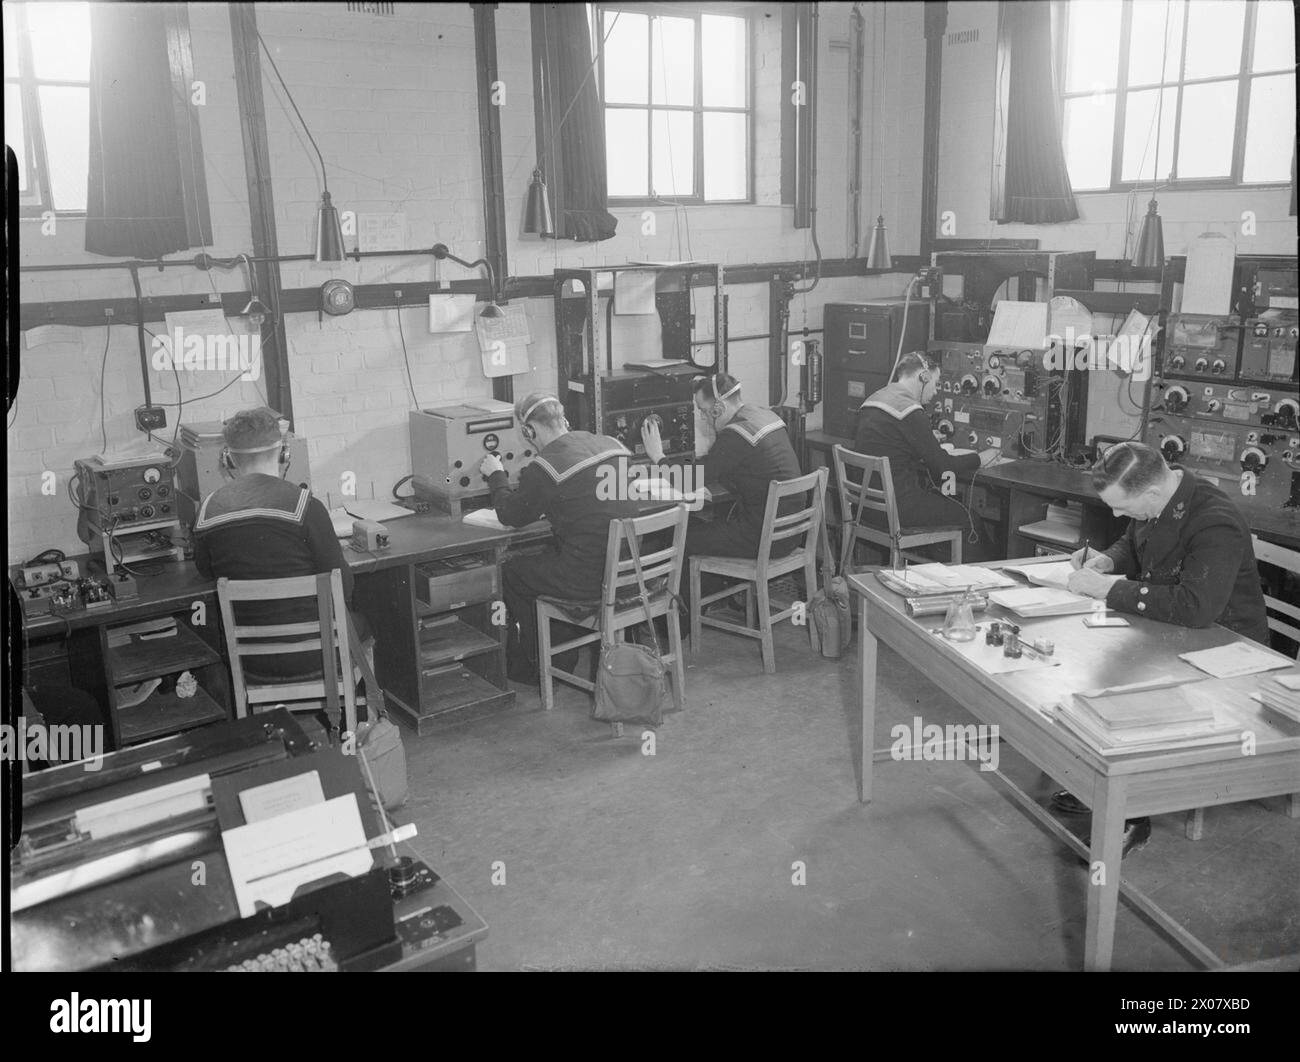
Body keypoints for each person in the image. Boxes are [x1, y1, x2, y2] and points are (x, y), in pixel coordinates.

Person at [1050, 440, 1270, 853]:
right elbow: (1134, 544)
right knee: (1098, 671)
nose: (1117, 515)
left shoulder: (1214, 520)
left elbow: (1197, 607)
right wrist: (1107, 563)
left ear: (1151, 493)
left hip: (1226, 652)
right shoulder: (1162, 497)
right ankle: (1103, 782)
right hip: (1178, 633)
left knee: (1129, 692)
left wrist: (1109, 589)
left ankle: (1131, 812)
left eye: (1123, 507)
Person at [192, 407, 372, 716]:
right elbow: (342, 584)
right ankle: (356, 727)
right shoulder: (306, 506)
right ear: (285, 453)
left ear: (227, 459)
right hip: (318, 654)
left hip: (250, 661)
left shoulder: (209, 510)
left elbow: (205, 571)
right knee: (361, 621)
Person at [480, 392, 643, 685]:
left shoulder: (546, 466)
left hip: (589, 581)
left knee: (513, 571)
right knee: (550, 556)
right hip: (629, 573)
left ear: (529, 431)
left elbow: (510, 515)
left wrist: (497, 476)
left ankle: (538, 667)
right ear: (564, 420)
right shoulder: (613, 446)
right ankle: (562, 654)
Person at [639, 372, 804, 619]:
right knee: (703, 525)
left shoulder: (735, 433)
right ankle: (705, 604)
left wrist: (658, 456)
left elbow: (691, 480)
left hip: (763, 538)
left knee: (683, 538)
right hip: (790, 532)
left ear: (718, 407)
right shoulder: (764, 416)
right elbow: (748, 467)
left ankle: (677, 625)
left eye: (704, 411)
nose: (704, 418)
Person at [851, 351, 1002, 560]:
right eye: (935, 383)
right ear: (923, 377)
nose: (935, 392)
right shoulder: (910, 410)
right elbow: (943, 467)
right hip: (897, 509)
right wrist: (980, 458)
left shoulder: (874, 400)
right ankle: (981, 584)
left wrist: (925, 440)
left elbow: (890, 445)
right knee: (969, 517)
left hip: (865, 508)